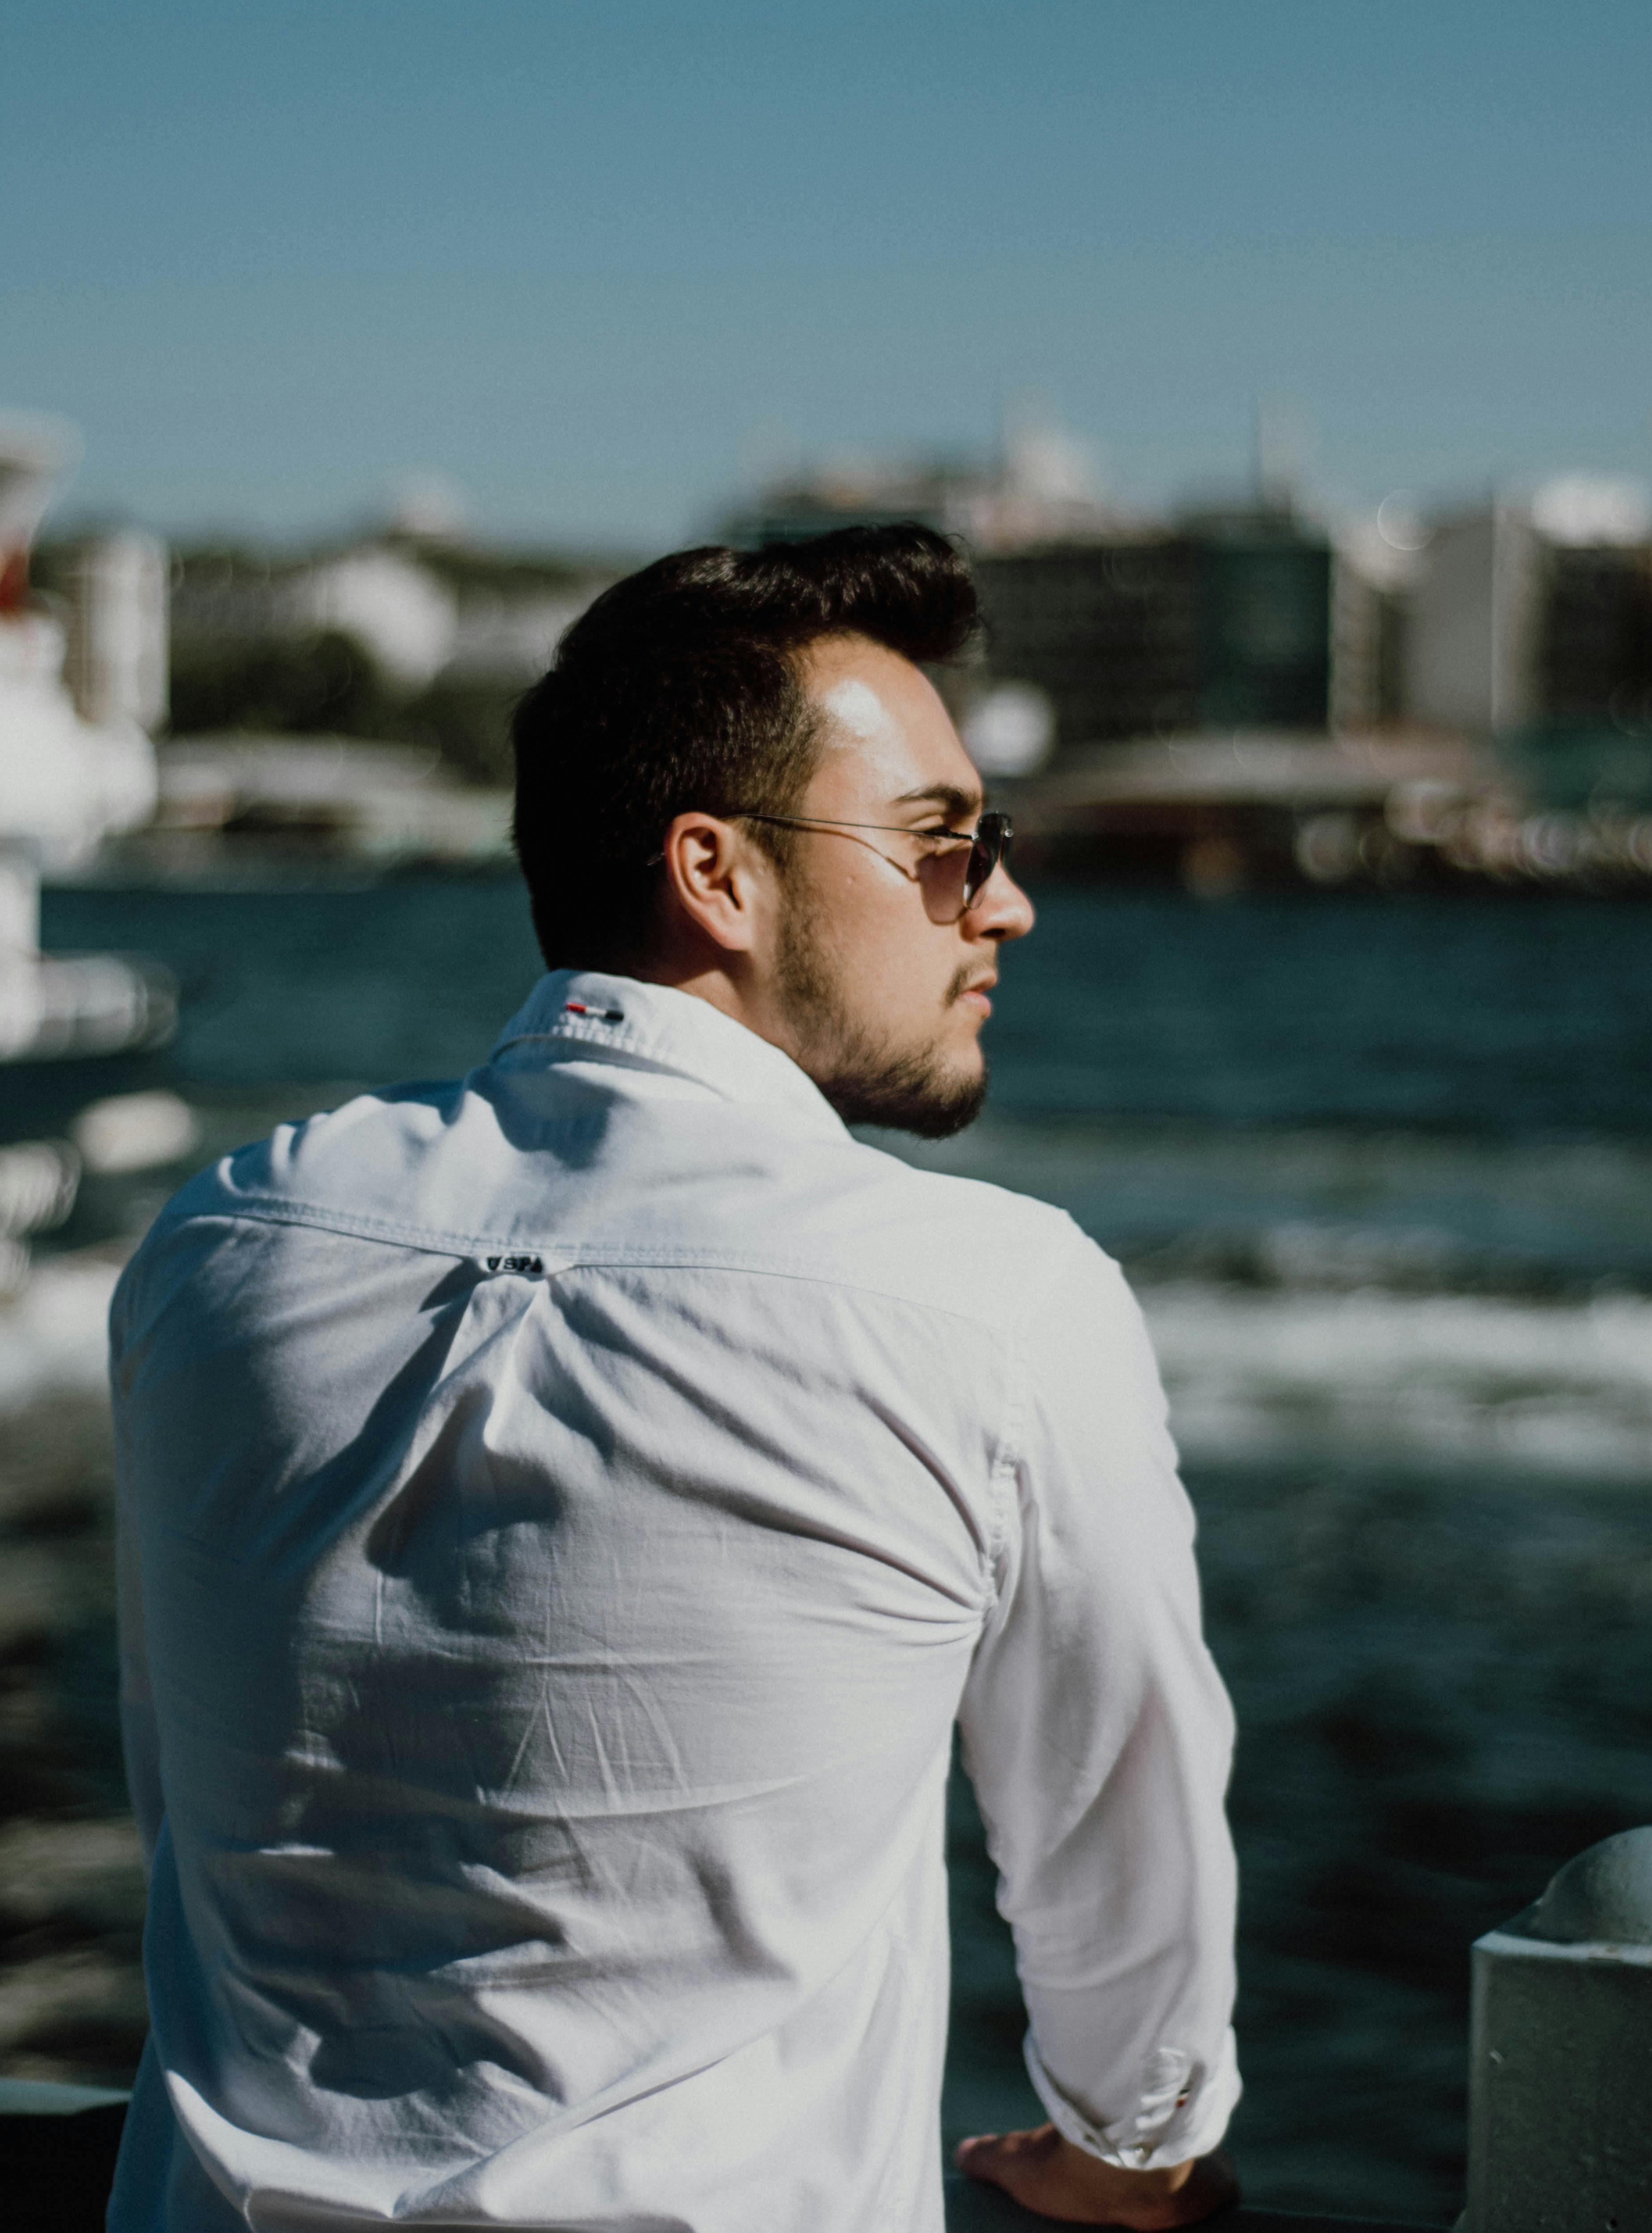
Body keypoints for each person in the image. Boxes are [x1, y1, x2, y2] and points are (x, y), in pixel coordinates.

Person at [108, 526, 1240, 2233]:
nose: (1004, 898)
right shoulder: (989, 1304)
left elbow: (195, 1810)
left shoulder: (224, 1241)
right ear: (719, 874)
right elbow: (1120, 1867)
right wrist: (1133, 2149)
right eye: (944, 841)